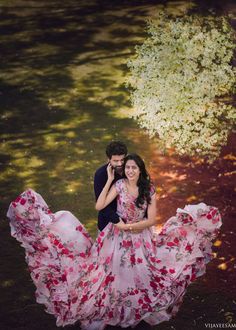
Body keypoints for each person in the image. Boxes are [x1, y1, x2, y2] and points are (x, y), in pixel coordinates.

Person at [6, 154, 222, 330]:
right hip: (114, 236)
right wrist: (109, 179)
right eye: (127, 167)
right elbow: (100, 206)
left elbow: (152, 220)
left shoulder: (149, 188)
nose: (129, 171)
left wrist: (127, 227)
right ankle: (113, 306)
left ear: (140, 170)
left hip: (138, 235)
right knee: (109, 273)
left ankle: (133, 308)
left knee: (142, 274)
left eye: (133, 168)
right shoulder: (118, 185)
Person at [94, 141, 127, 231]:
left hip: (128, 222)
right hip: (107, 223)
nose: (120, 164)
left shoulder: (130, 171)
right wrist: (117, 220)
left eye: (122, 160)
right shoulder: (100, 174)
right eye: (116, 161)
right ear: (108, 159)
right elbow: (100, 204)